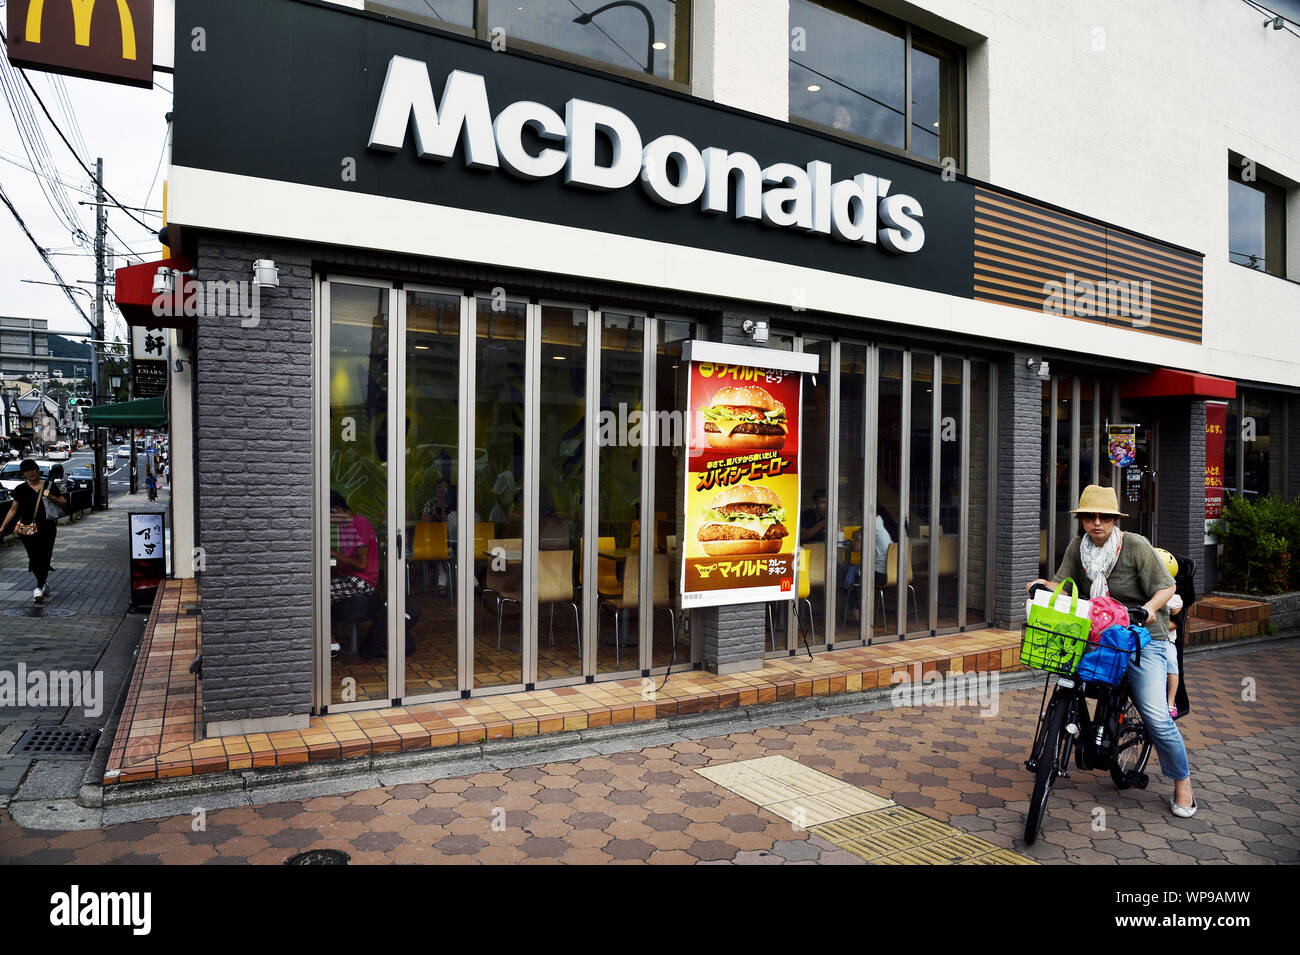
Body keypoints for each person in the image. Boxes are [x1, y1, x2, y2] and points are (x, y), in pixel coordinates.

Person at [1026, 484, 1196, 817]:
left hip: (1142, 634)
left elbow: (1168, 587)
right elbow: (1062, 584)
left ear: (1114, 519)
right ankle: (1063, 740)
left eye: (1104, 516)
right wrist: (1039, 586)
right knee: (1065, 677)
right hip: (1098, 630)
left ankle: (1182, 782)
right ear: (1082, 519)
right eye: (1090, 516)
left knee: (1157, 718)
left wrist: (1146, 610)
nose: (1097, 523)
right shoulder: (1078, 548)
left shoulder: (1135, 546)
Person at [0, 459, 67, 602]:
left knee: (45, 556)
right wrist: (2, 527)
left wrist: (52, 496)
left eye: (33, 469)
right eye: (27, 471)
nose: (31, 473)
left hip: (47, 527)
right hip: (27, 529)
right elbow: (13, 509)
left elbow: (64, 502)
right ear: (24, 473)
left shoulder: (49, 486)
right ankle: (42, 583)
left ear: (38, 470)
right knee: (34, 557)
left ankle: (39, 586)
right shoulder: (20, 489)